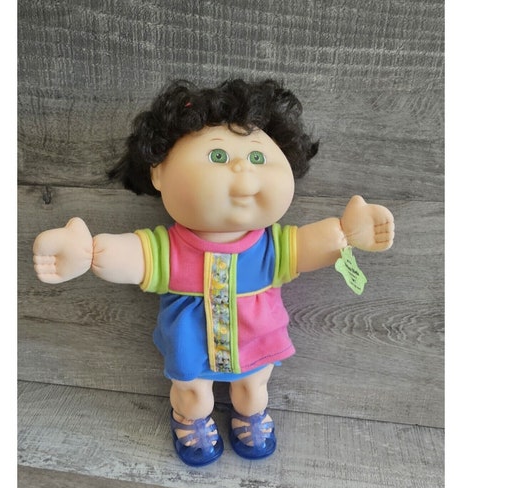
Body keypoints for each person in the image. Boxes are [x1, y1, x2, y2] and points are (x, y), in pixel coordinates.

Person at [33, 79, 394, 467]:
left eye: (258, 157)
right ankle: (189, 418)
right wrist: (88, 253)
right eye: (218, 156)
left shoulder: (272, 246)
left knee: (254, 388)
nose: (242, 167)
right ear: (159, 173)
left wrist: (346, 233)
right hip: (190, 339)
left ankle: (249, 414)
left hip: (257, 335)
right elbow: (134, 255)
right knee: (192, 393)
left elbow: (307, 246)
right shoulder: (169, 248)